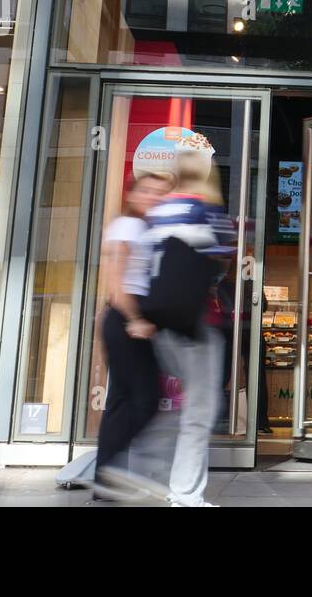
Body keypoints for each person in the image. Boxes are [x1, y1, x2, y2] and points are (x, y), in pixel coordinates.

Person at [129, 138, 236, 507]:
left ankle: (143, 474)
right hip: (197, 322)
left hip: (162, 322)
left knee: (178, 408)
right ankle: (184, 495)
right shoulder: (204, 209)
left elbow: (147, 263)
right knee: (201, 411)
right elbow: (222, 258)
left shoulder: (159, 211)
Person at [92, 171, 172, 499]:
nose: (154, 197)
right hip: (127, 319)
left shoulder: (144, 228)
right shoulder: (128, 226)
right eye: (148, 191)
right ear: (133, 195)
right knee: (145, 399)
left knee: (122, 401)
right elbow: (116, 281)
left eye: (161, 193)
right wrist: (135, 318)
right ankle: (108, 469)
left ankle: (104, 480)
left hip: (126, 319)